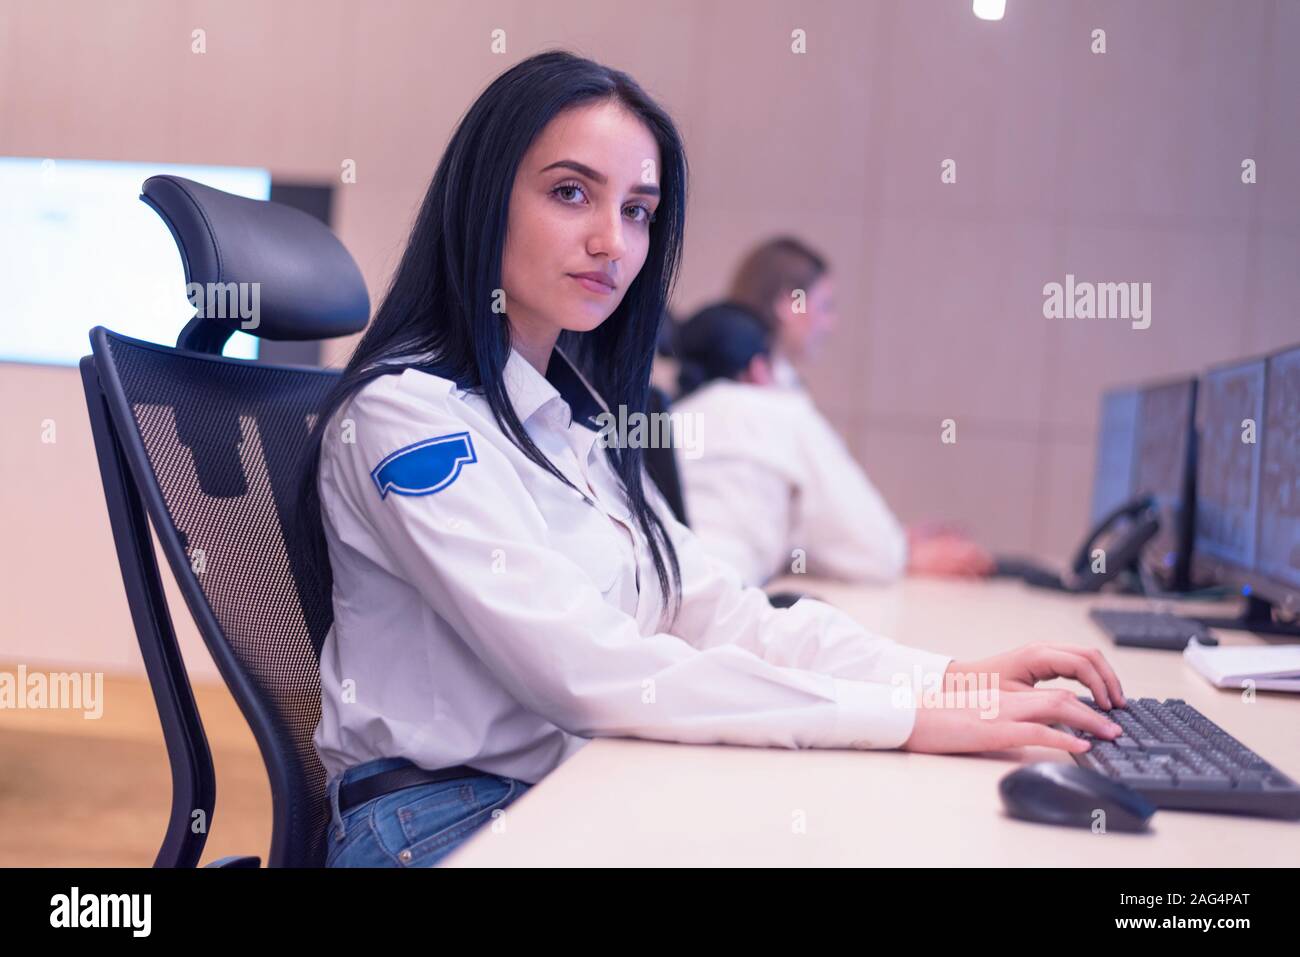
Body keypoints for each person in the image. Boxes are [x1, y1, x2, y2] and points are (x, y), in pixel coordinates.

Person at [297, 50, 1127, 869]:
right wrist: (905, 715)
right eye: (570, 192)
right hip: (438, 826)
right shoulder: (407, 416)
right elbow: (585, 670)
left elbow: (722, 611)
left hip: (563, 789)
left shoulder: (568, 424)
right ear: (484, 203)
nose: (611, 241)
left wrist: (950, 680)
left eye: (637, 210)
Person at [727, 236, 997, 578]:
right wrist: (896, 552)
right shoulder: (772, 405)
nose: (831, 324)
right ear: (787, 303)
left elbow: (794, 521)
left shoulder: (748, 391)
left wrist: (896, 542)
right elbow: (859, 537)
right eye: (825, 307)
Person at [672, 301, 909, 586]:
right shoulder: (782, 412)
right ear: (759, 369)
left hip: (649, 589)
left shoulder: (667, 417)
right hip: (722, 594)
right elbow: (876, 553)